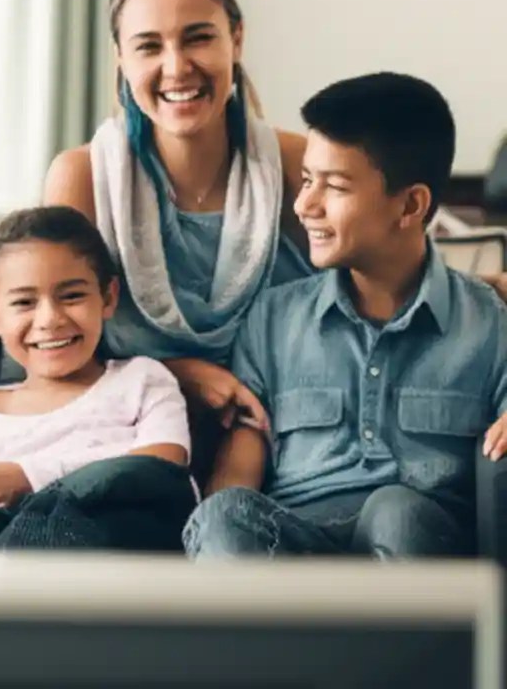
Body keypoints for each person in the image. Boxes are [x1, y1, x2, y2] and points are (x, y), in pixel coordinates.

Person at [184, 72, 507, 559]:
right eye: (307, 180)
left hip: (419, 551)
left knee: (395, 511)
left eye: (334, 187)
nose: (304, 205)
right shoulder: (272, 318)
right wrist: (218, 520)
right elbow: (241, 462)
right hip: (294, 540)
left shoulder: (488, 322)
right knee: (224, 513)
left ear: (411, 205)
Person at [43, 0, 316, 475]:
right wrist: (174, 374)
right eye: (149, 46)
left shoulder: (300, 166)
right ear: (121, 58)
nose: (176, 67)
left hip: (292, 444)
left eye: (198, 38)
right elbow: (52, 353)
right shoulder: (81, 177)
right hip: (127, 444)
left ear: (236, 39)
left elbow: (368, 312)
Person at [0, 206, 195, 549]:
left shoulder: (142, 380)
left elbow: (163, 465)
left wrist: (25, 477)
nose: (50, 319)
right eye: (24, 302)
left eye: (72, 296)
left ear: (108, 297)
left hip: (107, 546)